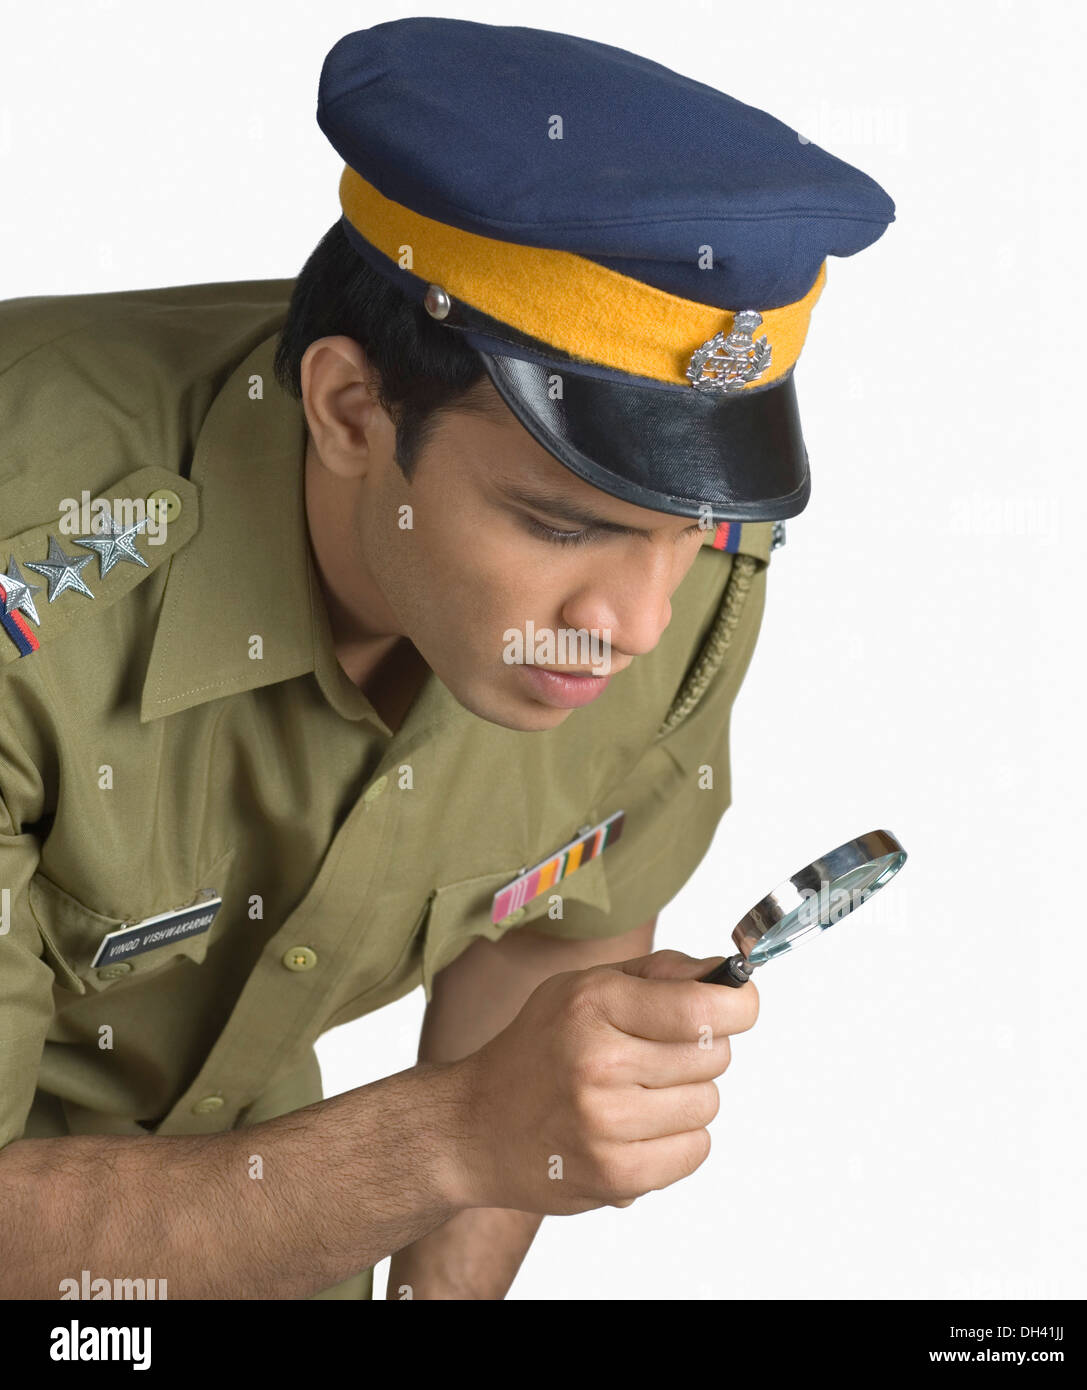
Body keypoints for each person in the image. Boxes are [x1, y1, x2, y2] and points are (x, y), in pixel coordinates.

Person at [0, 17, 894, 1299]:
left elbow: (548, 946)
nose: (634, 624)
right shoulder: (32, 568)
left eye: (685, 534)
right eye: (559, 523)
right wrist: (450, 1136)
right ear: (351, 411)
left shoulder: (670, 587)